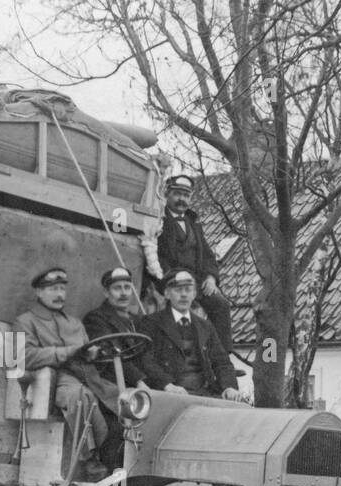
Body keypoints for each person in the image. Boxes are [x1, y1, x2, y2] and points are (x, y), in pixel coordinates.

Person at [14, 267, 115, 479]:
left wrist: (95, 354)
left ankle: (122, 460)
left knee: (128, 401)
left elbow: (88, 350)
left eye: (62, 288)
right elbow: (26, 357)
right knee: (78, 397)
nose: (59, 294)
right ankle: (89, 460)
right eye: (52, 289)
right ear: (38, 293)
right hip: (56, 378)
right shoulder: (26, 321)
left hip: (89, 377)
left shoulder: (74, 323)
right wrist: (68, 352)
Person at [156, 173, 235, 355]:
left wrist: (211, 278)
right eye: (177, 194)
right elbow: (156, 254)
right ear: (167, 195)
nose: (181, 199)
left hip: (197, 281)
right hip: (171, 280)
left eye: (186, 195)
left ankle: (223, 358)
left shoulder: (194, 222)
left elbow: (208, 255)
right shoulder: (159, 219)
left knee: (221, 305)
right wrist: (171, 278)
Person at [137, 268, 245, 401]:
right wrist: (166, 385)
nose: (184, 295)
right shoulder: (151, 323)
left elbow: (222, 362)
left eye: (188, 290)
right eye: (178, 290)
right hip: (170, 395)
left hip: (205, 394)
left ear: (194, 294)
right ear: (167, 294)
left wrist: (229, 387)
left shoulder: (205, 326)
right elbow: (146, 361)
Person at [83, 266, 149, 469]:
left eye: (127, 287)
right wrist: (139, 380)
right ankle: (114, 476)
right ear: (106, 292)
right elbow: (113, 354)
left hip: (139, 387)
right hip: (111, 384)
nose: (123, 293)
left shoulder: (138, 321)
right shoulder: (96, 319)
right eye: (117, 288)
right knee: (116, 429)